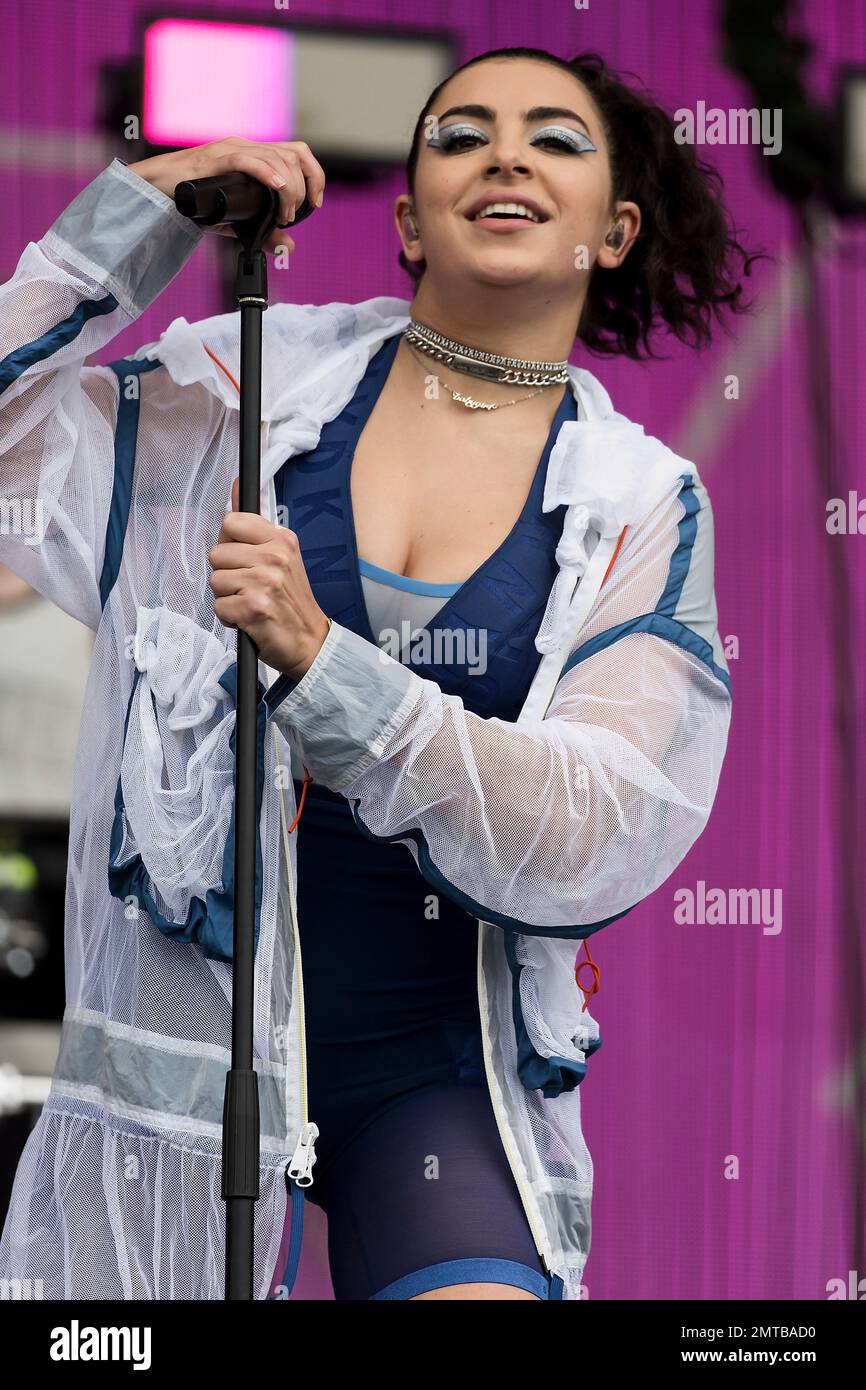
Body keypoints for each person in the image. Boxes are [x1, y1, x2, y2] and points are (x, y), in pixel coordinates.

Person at [0, 46, 755, 1300]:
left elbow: (594, 823)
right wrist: (142, 208)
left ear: (614, 231)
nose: (505, 153)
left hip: (434, 1087)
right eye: (461, 134)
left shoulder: (634, 505)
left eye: (552, 140)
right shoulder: (244, 389)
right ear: (407, 217)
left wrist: (323, 665)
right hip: (188, 1083)